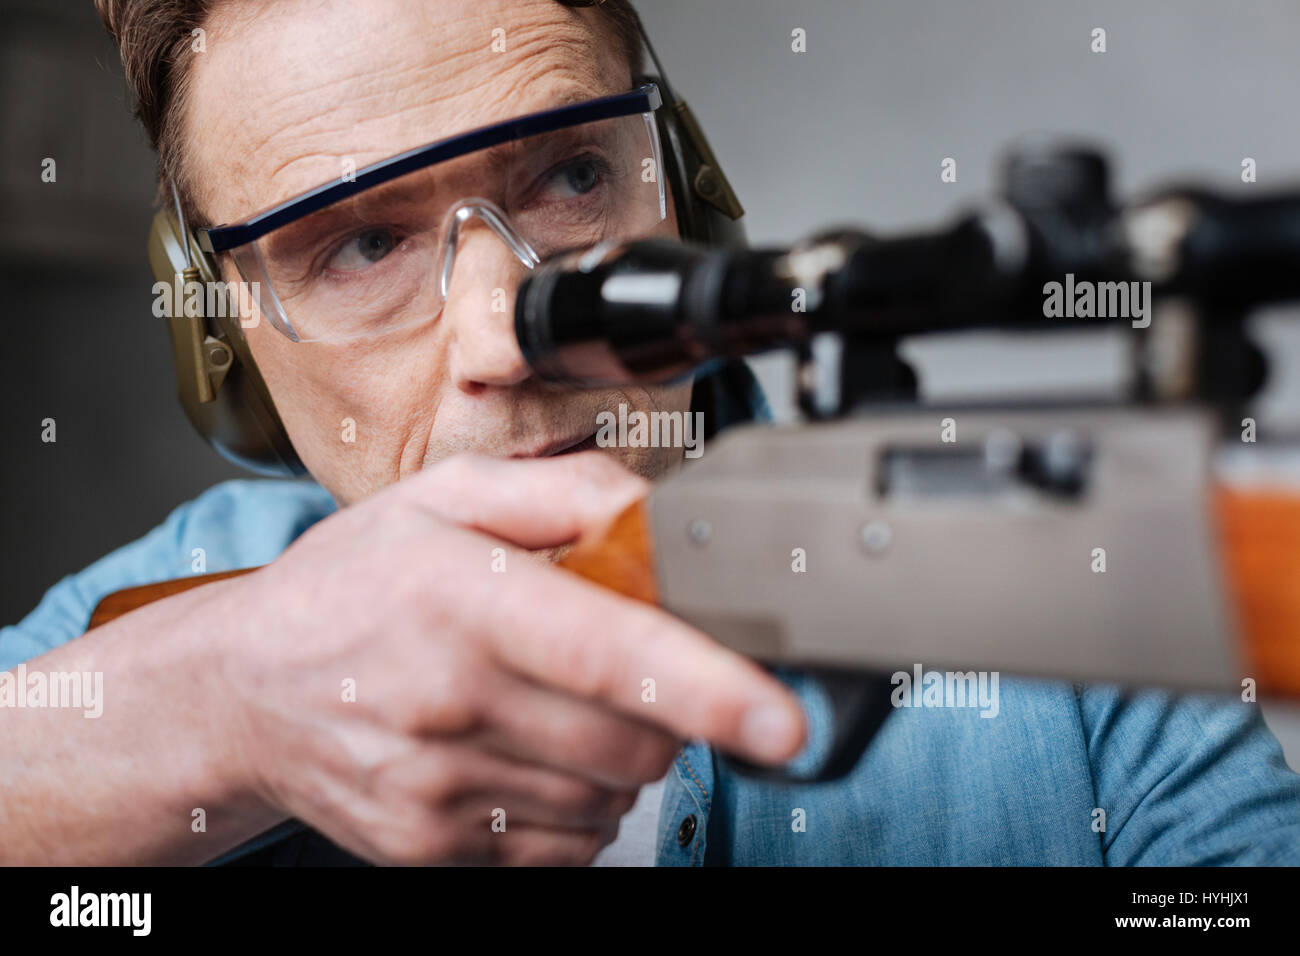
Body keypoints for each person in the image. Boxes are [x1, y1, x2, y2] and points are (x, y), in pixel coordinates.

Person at [2, 0, 1297, 866]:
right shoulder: (175, 607)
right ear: (224, 335)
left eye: (569, 177)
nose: (504, 339)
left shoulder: (1061, 629)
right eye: (362, 244)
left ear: (680, 194)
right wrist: (227, 711)